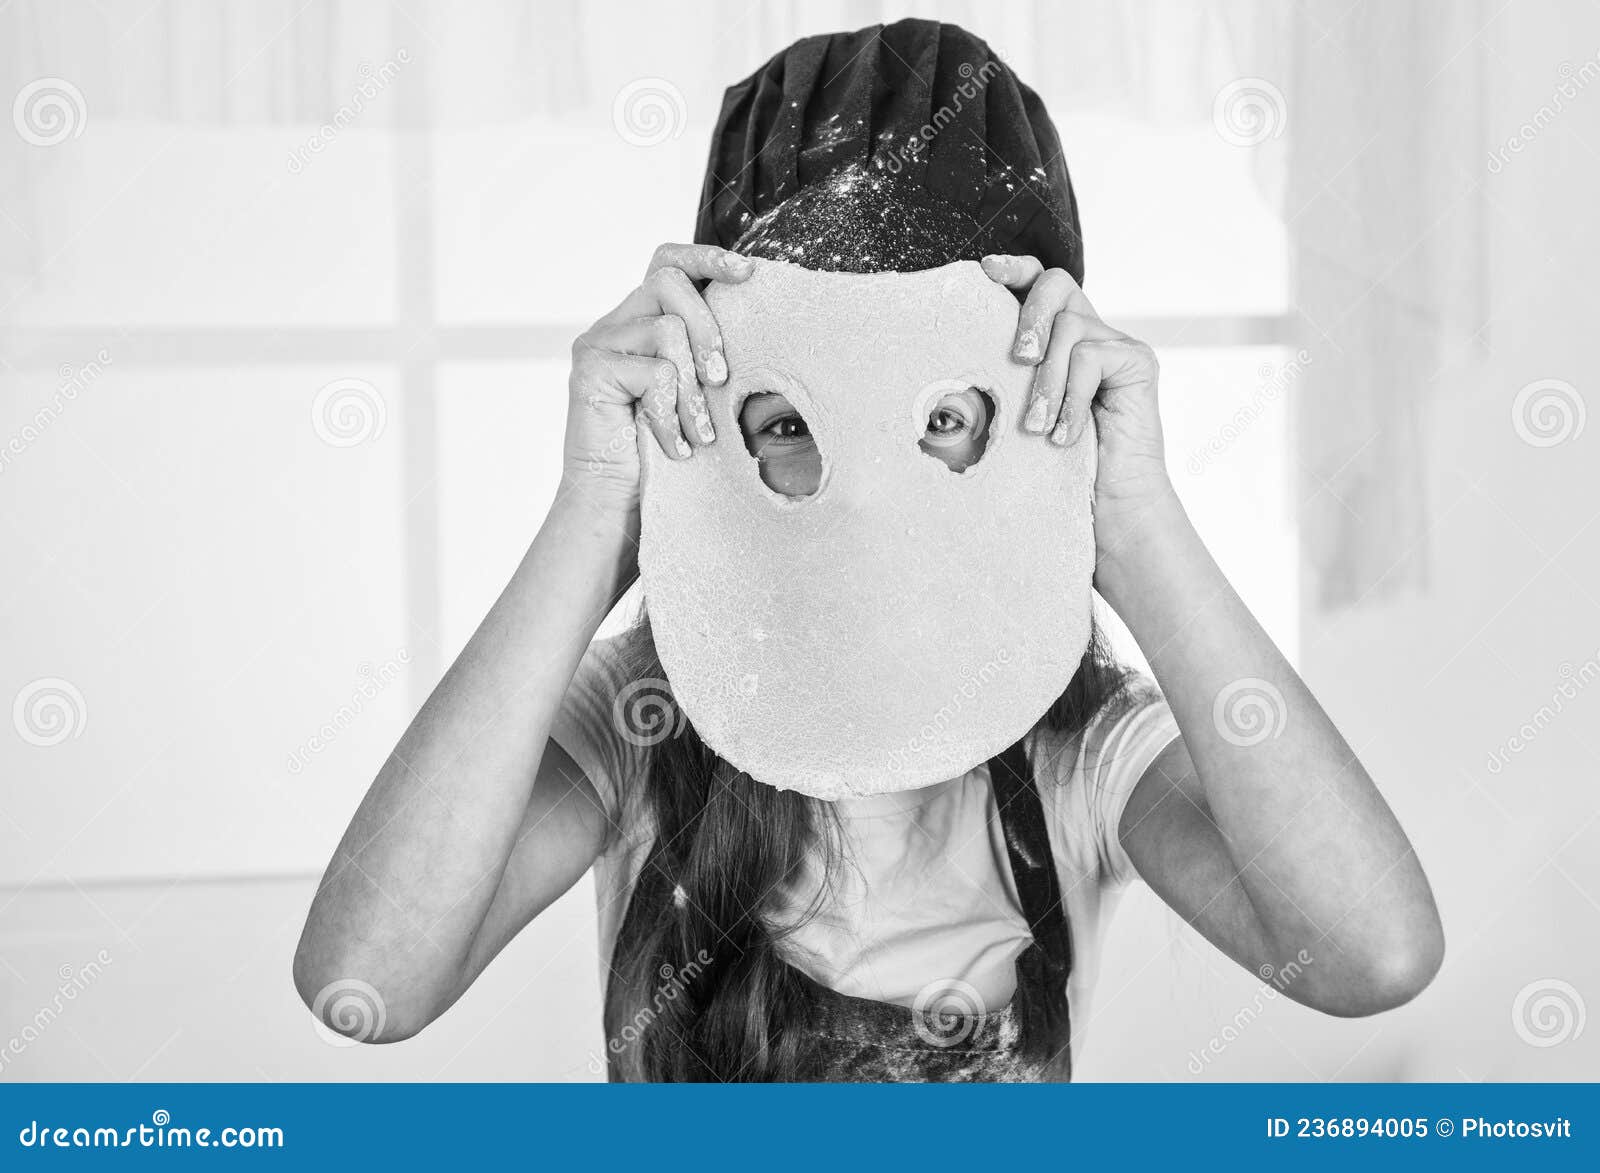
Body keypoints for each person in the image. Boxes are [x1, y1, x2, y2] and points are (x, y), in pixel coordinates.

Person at [294, 18, 1443, 1082]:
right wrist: (601, 508)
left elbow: (1371, 959)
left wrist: (1129, 517)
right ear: (712, 424)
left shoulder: (1080, 750)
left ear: (1034, 414)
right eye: (788, 426)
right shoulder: (647, 720)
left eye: (943, 419)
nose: (870, 505)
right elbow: (371, 985)